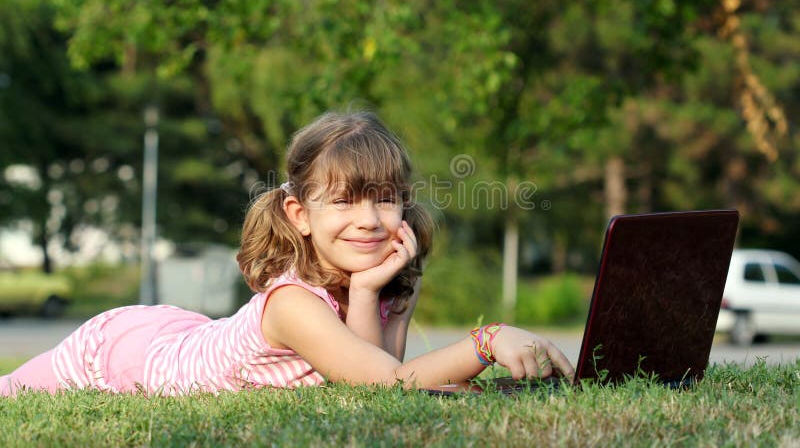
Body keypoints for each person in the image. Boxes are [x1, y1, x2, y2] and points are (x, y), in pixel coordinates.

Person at [1, 111, 574, 396]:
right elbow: (386, 383)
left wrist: (378, 293)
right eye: (344, 201)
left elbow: (374, 379)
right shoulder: (292, 304)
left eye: (386, 199)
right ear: (300, 215)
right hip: (125, 350)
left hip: (193, 330)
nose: (370, 220)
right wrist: (487, 340)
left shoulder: (381, 272)